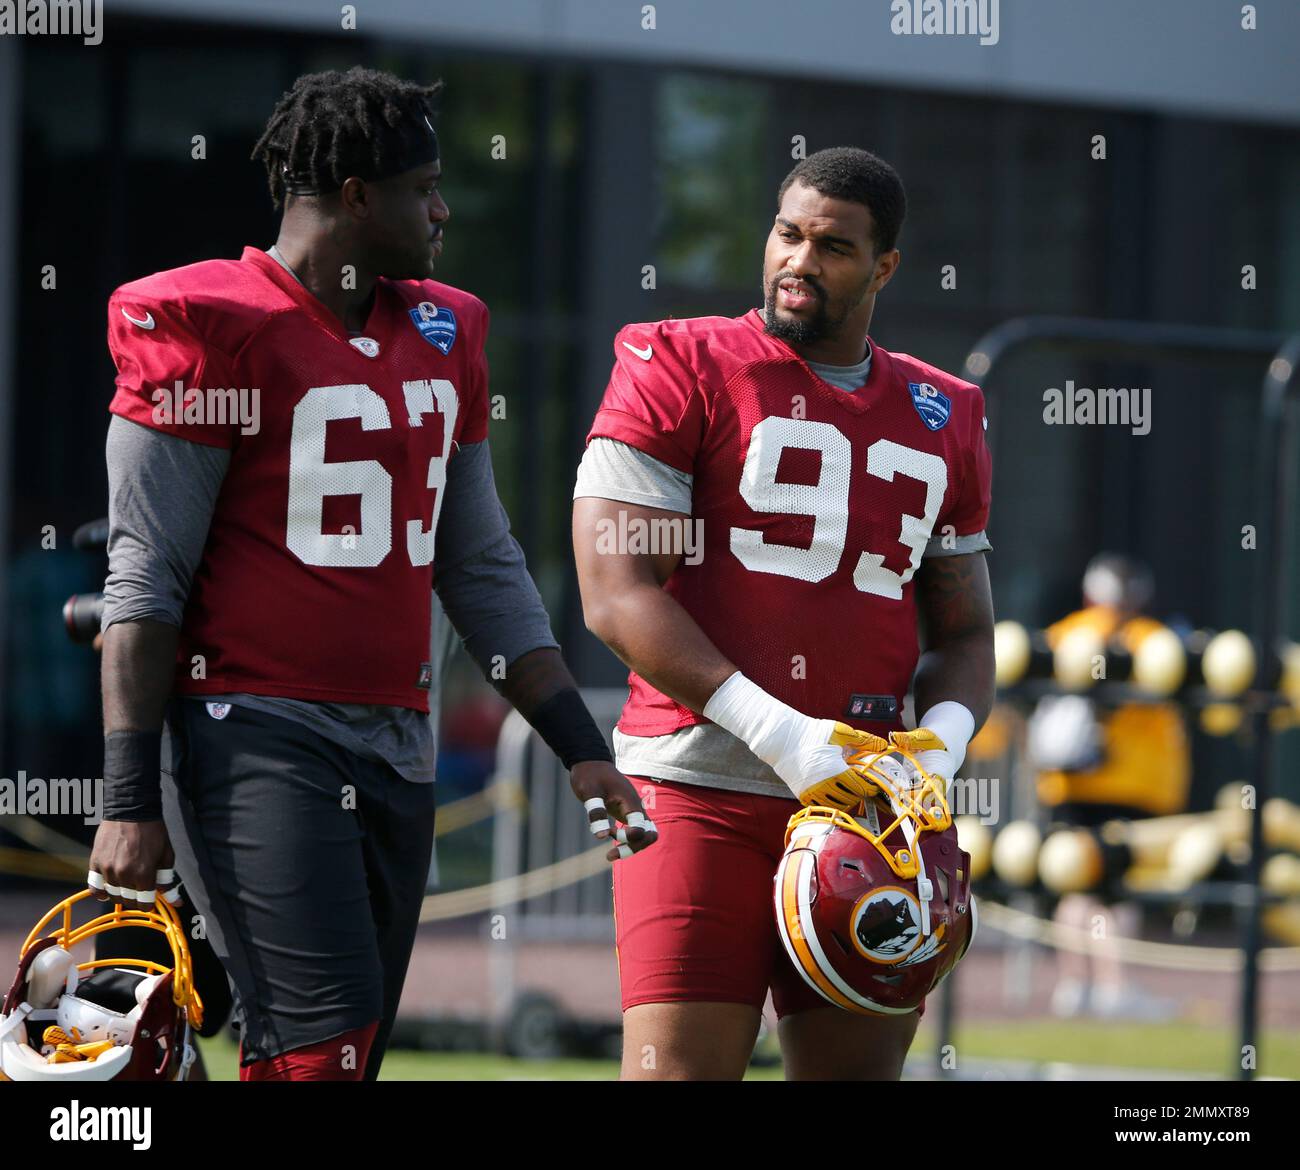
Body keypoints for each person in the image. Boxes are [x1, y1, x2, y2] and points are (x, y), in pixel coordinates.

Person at [90, 66, 656, 1082]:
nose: (443, 208)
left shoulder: (446, 332)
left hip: (397, 746)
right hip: (252, 734)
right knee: (322, 1054)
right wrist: (127, 800)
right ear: (356, 195)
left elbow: (479, 564)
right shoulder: (204, 321)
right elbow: (146, 576)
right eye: (423, 186)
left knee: (334, 1055)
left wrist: (581, 746)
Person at [573, 147, 994, 1079]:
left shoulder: (947, 410)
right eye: (787, 233)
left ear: (885, 267)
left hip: (870, 805)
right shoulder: (674, 359)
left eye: (834, 247)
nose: (798, 261)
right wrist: (785, 734)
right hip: (695, 785)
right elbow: (615, 593)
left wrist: (946, 743)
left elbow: (964, 632)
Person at [1029, 553, 1189, 1020]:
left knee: (1074, 882)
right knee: (1116, 887)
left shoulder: (1064, 633)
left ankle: (1074, 986)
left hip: (1069, 780)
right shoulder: (1154, 640)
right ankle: (1115, 988)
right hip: (1128, 783)